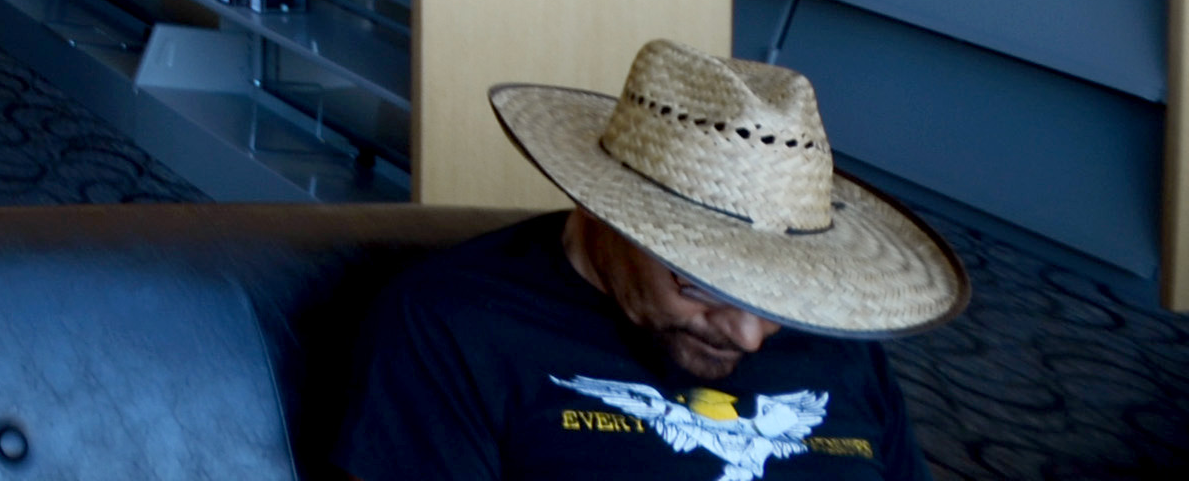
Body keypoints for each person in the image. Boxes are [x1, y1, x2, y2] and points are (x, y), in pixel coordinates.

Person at [341, 39, 966, 480]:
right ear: (604, 211)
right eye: (704, 285)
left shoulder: (841, 348)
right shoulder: (456, 326)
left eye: (780, 296)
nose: (749, 334)